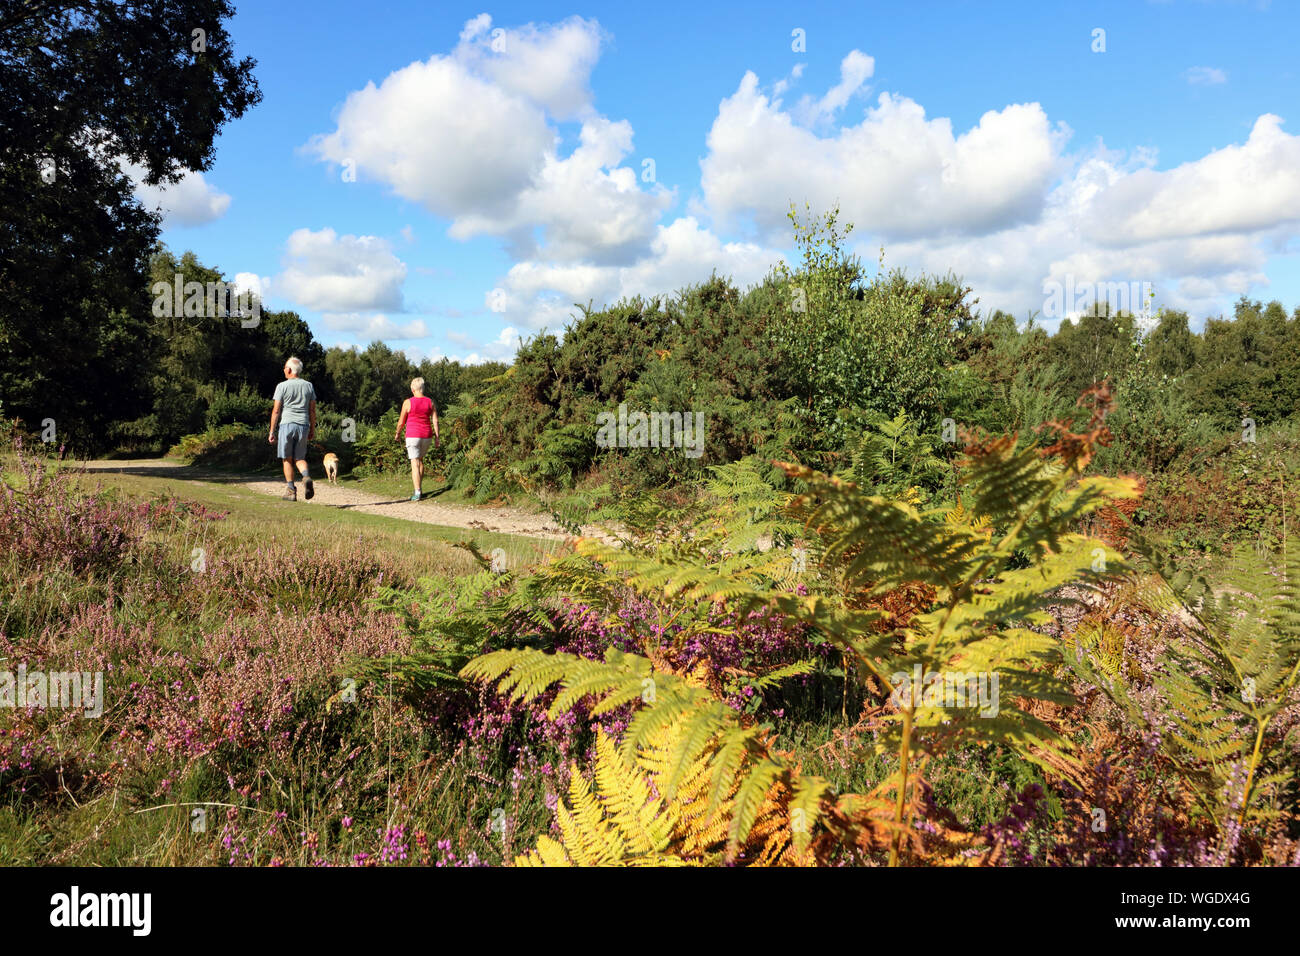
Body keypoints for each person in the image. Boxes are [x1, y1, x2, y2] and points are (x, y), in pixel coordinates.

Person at [268, 356, 316, 501]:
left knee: (287, 459)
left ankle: (291, 491)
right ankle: (306, 476)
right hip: (303, 425)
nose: (284, 370)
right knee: (300, 458)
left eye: (284, 368)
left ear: (289, 370)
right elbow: (312, 410)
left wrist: (271, 431)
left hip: (287, 425)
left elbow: (276, 410)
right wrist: (312, 429)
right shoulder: (308, 386)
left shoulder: (282, 386)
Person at [394, 377, 439, 501]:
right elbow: (435, 420)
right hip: (427, 436)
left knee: (415, 463)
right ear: (423, 388)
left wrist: (397, 433)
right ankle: (420, 489)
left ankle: (417, 492)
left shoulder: (408, 402)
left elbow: (401, 422)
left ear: (413, 389)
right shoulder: (431, 402)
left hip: (413, 435)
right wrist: (437, 437)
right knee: (420, 460)